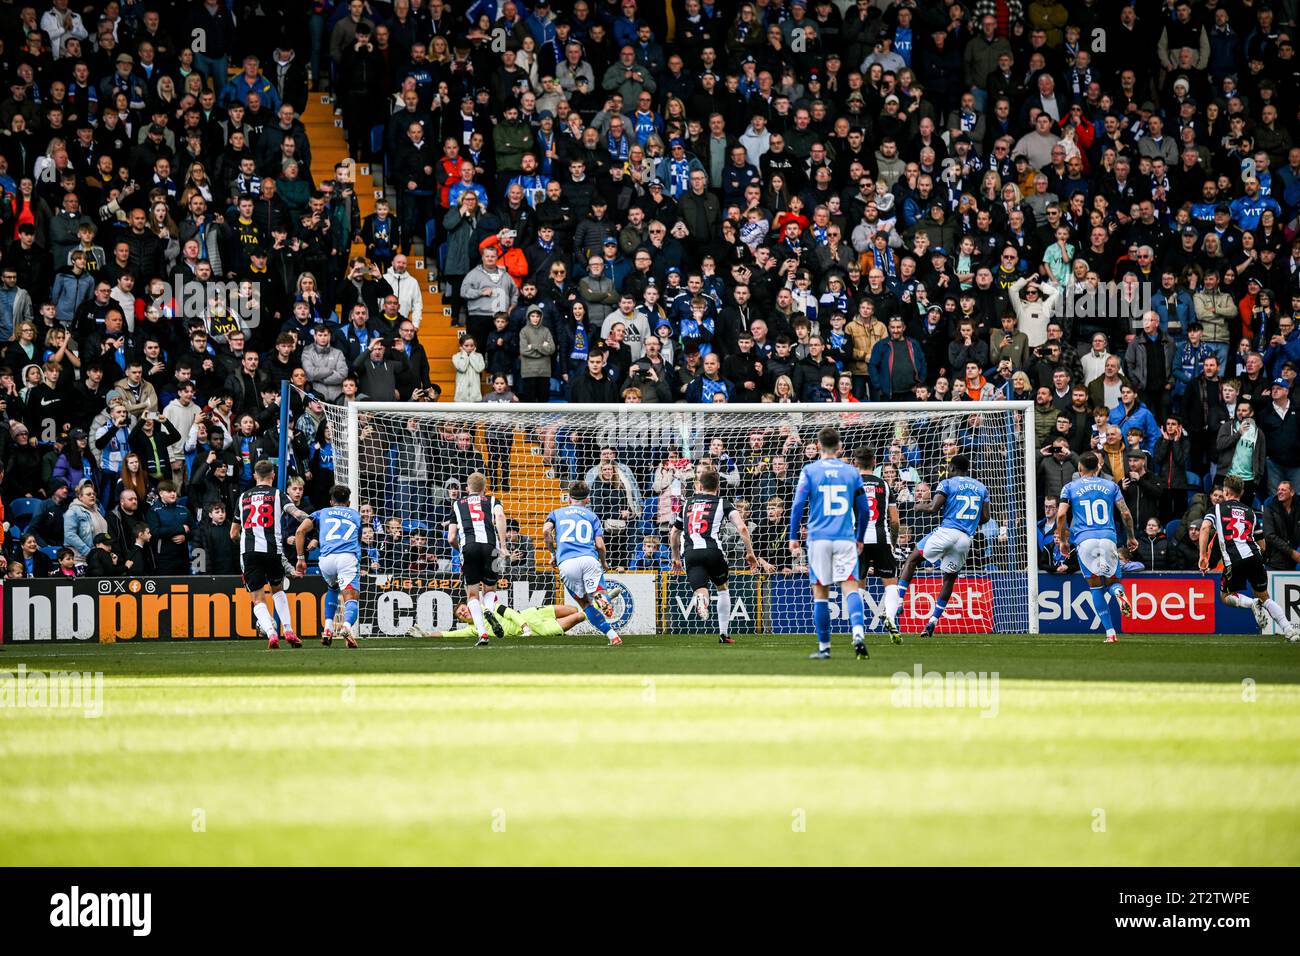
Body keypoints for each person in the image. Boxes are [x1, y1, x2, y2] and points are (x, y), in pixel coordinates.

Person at [886, 453, 989, 639]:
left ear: (952, 468)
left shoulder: (947, 483)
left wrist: (918, 507)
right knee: (949, 578)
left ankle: (900, 600)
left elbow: (933, 508)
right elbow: (985, 518)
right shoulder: (981, 487)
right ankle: (932, 621)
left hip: (947, 531)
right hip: (965, 539)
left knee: (912, 559)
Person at [787, 426, 869, 659]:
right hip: (845, 538)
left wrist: (793, 536)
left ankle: (824, 648)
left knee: (821, 592)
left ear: (819, 445)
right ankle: (858, 634)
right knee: (850, 587)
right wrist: (860, 537)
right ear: (840, 447)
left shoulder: (810, 470)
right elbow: (864, 510)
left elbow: (797, 505)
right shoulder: (852, 472)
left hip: (819, 539)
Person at [669, 469, 765, 645]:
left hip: (691, 554)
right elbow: (742, 528)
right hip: (713, 552)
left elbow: (674, 532)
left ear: (700, 485)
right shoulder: (723, 502)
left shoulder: (687, 504)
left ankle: (701, 599)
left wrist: (675, 557)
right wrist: (750, 553)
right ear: (718, 487)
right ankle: (723, 634)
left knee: (700, 589)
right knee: (722, 588)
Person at [1199, 475, 1300, 641]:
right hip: (1254, 556)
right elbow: (1263, 544)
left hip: (1234, 558)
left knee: (1225, 596)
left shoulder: (1216, 509)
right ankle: (1289, 631)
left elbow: (1204, 528)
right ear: (1242, 492)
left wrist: (1203, 555)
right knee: (1265, 596)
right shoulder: (1251, 513)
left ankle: (1251, 604)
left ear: (1225, 492)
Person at [1055, 452, 1138, 644]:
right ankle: (1118, 593)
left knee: (1096, 587)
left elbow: (1060, 515)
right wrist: (1131, 537)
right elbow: (1125, 513)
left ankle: (1110, 633)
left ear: (1079, 468)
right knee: (1113, 582)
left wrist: (1062, 540)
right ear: (1098, 468)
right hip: (1108, 539)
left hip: (1085, 541)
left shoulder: (1070, 487)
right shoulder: (1111, 486)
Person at [233, 460, 312, 648]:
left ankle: (271, 634)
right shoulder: (278, 494)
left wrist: (245, 540)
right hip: (272, 550)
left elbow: (233, 533)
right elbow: (295, 513)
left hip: (249, 552)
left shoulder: (243, 497)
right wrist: (311, 518)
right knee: (278, 590)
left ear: (254, 476)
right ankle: (289, 630)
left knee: (258, 597)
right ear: (273, 476)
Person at [541, 481, 623, 646]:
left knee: (585, 604)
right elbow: (600, 545)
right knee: (598, 592)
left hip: (567, 563)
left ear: (569, 498)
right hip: (589, 559)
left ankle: (612, 635)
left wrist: (553, 553)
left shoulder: (556, 513)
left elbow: (545, 531)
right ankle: (602, 600)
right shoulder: (592, 516)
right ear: (588, 500)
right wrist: (604, 562)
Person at [294, 484, 363, 649]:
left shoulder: (321, 513)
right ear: (348, 502)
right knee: (350, 597)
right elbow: (359, 540)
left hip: (326, 560)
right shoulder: (356, 515)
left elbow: (299, 532)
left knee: (332, 588)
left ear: (331, 501)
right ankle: (346, 627)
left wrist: (301, 558)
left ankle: (328, 628)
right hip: (347, 557)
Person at [446, 471, 509, 646]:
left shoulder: (457, 504)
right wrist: (503, 546)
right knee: (490, 591)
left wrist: (461, 551)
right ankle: (488, 610)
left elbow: (451, 537)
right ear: (484, 488)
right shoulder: (492, 500)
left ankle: (483, 634)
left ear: (467, 488)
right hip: (491, 548)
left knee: (472, 595)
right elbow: (501, 517)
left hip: (469, 547)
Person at [855, 447, 900, 642]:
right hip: (882, 538)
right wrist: (894, 542)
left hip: (858, 541)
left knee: (857, 587)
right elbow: (895, 520)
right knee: (891, 583)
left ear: (855, 463)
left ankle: (858, 632)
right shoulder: (884, 484)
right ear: (874, 462)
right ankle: (890, 618)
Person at [429, 602, 587, 639]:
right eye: (460, 614)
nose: (463, 613)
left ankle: (599, 604)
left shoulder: (488, 606)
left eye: (463, 609)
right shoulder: (473, 629)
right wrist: (426, 634)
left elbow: (510, 613)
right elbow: (446, 634)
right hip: (540, 631)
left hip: (530, 615)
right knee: (579, 616)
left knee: (572, 609)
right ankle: (600, 606)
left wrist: (525, 626)